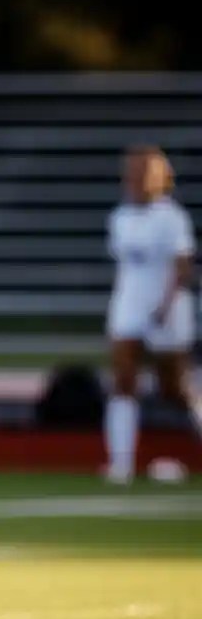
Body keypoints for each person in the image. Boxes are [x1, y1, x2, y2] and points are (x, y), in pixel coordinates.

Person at [104, 145, 199, 484]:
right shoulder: (120, 218)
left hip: (167, 307)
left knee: (174, 387)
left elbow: (182, 265)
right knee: (123, 377)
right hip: (130, 302)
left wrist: (165, 305)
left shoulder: (171, 217)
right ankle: (121, 463)